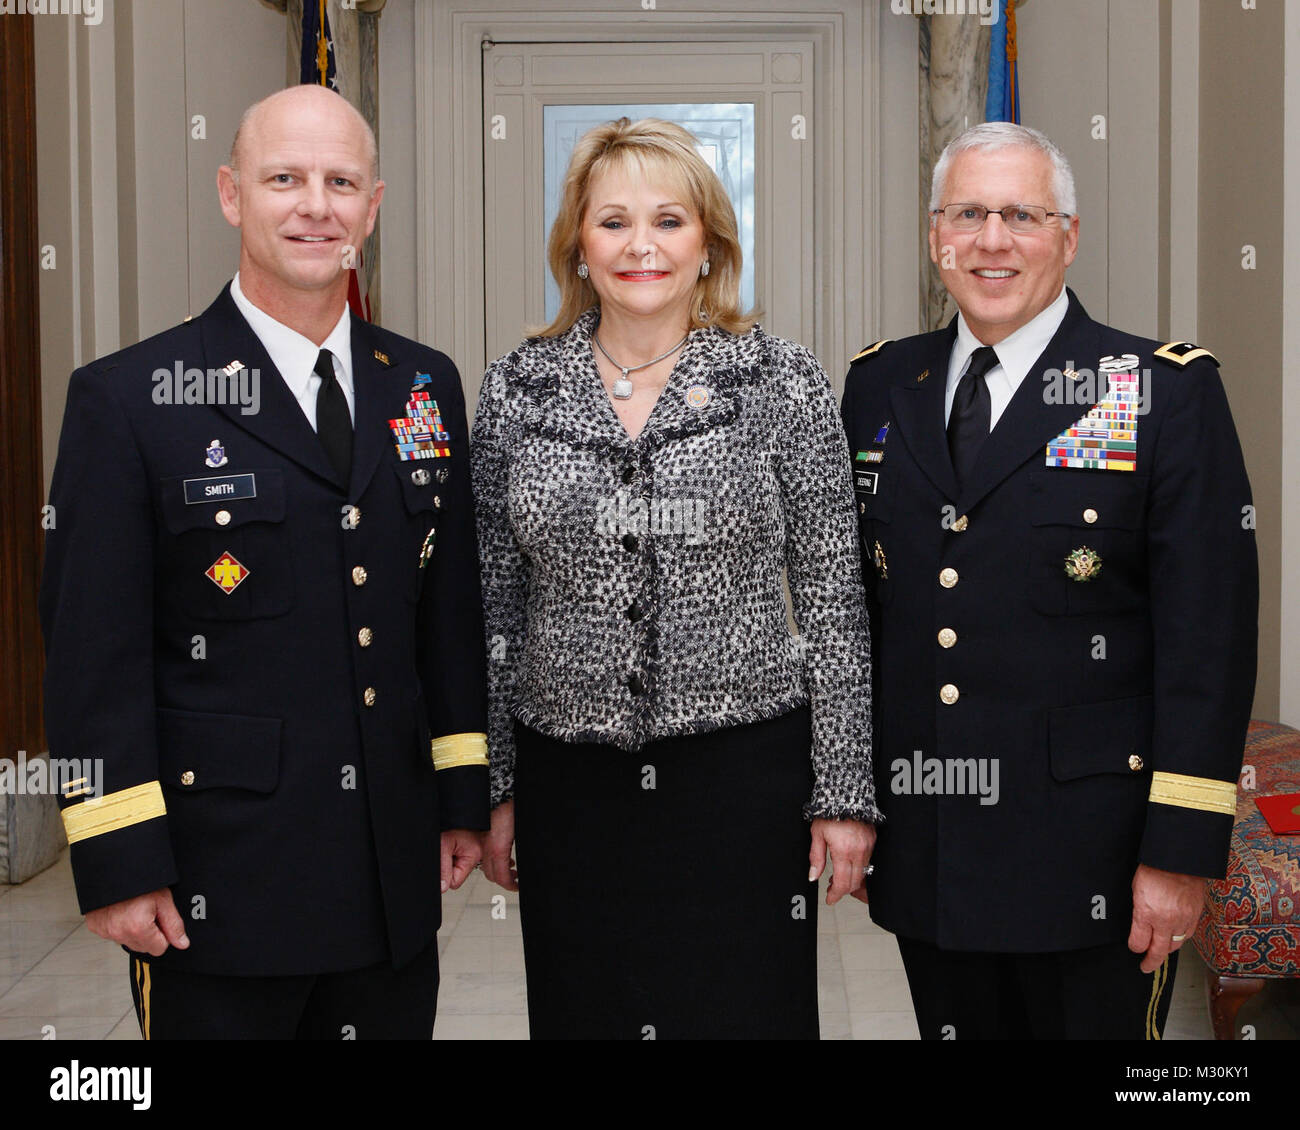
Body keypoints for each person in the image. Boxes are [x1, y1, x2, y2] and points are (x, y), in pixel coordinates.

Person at [39, 84, 489, 1040]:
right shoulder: (131, 399)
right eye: (284, 178)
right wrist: (120, 857)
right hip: (221, 888)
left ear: (372, 206)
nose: (314, 206)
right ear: (232, 192)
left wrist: (459, 798)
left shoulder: (421, 382)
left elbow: (445, 616)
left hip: (386, 882)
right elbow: (93, 656)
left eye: (340, 182)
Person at [841, 122, 1258, 1040]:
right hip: (933, 848)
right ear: (934, 233)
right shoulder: (879, 386)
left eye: (1023, 215)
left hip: (1091, 858)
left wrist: (1179, 854)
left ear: (1069, 237)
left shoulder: (1158, 391)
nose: (993, 241)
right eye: (969, 213)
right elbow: (866, 621)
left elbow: (1209, 647)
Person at [471, 117, 877, 1040]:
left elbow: (832, 600)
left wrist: (844, 794)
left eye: (670, 220)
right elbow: (492, 600)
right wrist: (493, 787)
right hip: (569, 783)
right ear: (577, 242)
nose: (640, 245)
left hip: (741, 785)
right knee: (589, 1013)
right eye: (612, 221)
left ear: (710, 244)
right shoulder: (516, 389)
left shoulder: (780, 380)